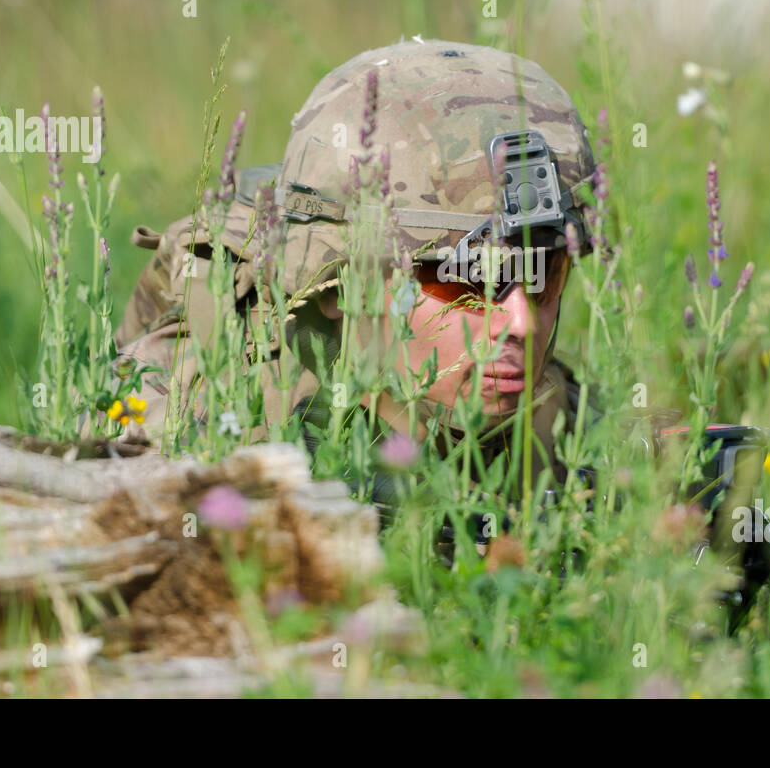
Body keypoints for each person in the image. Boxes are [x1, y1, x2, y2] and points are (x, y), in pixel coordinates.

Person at [113, 37, 600, 510]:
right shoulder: (205, 427)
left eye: (545, 274)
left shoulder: (570, 428)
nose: (520, 321)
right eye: (472, 280)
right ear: (343, 285)